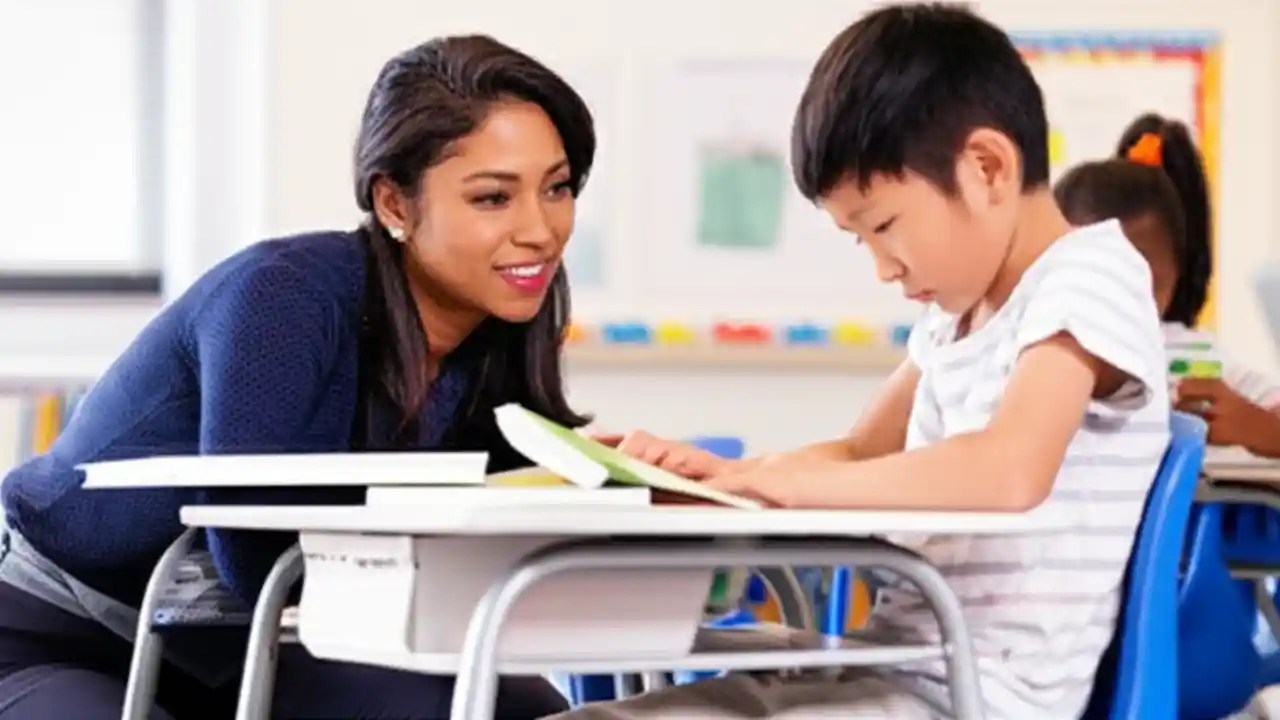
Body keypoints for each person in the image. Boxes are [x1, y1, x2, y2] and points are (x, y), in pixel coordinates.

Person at [551, 4, 1169, 718]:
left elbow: (1011, 470)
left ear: (986, 168)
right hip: (891, 668)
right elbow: (857, 451)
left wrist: (788, 486)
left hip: (976, 697)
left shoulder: (1089, 277)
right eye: (860, 239)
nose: (883, 267)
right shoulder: (954, 319)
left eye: (884, 225)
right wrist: (726, 478)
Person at [0, 34, 588, 718]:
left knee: (523, 710)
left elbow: (509, 520)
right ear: (395, 205)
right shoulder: (284, 296)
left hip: (249, 653)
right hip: (67, 637)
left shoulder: (501, 320)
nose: (540, 230)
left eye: (557, 188)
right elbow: (253, 557)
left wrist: (620, 481)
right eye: (493, 198)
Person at [1055, 113, 1280, 456]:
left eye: (1140, 284)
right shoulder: (1032, 350)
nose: (1120, 304)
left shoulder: (1195, 359)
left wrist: (1255, 426)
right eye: (1097, 280)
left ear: (1175, 274)